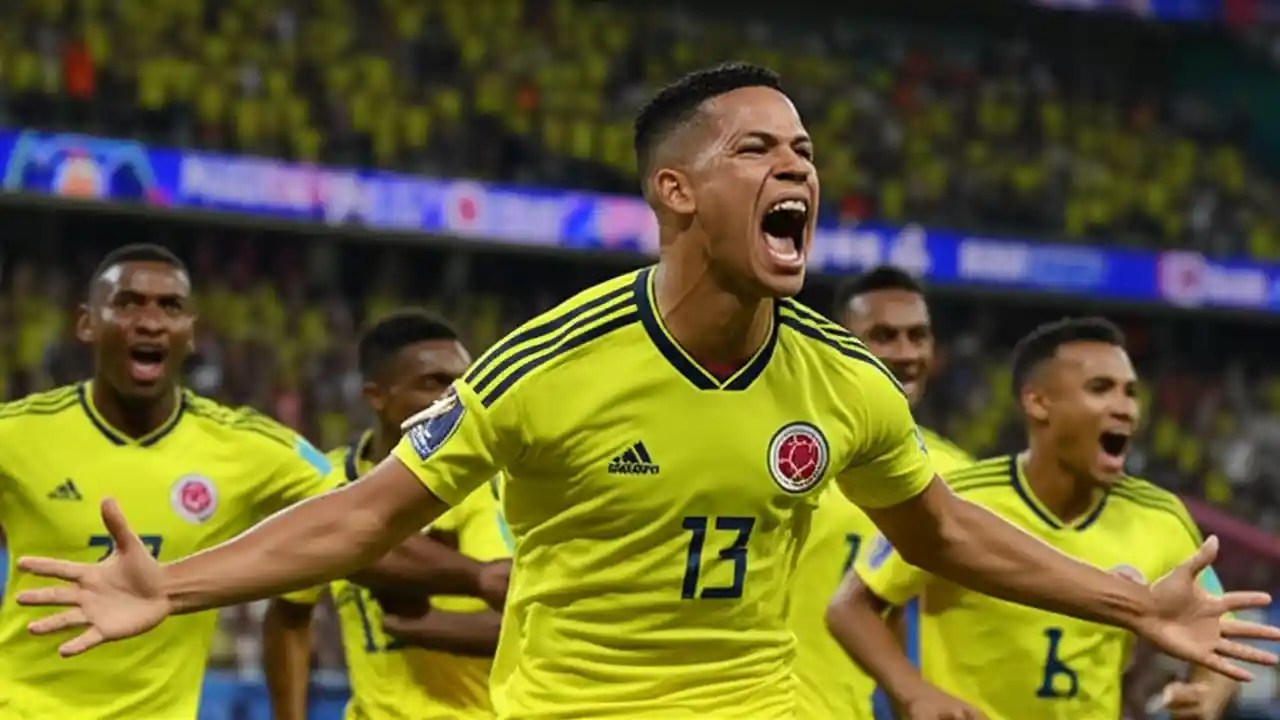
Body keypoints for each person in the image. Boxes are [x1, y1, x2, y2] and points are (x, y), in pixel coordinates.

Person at [15, 63, 1280, 720]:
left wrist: (1131, 605)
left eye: (804, 150)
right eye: (756, 148)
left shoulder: (838, 382)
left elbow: (940, 531)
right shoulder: (547, 362)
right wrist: (170, 584)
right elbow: (367, 515)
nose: (796, 166)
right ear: (675, 193)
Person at [830, 318, 1240, 720]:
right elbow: (850, 607)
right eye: (1100, 388)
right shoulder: (960, 500)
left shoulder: (1161, 518)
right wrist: (914, 692)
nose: (1125, 408)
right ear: (1038, 402)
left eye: (1130, 393)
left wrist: (1207, 693)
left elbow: (1215, 627)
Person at [0, 243, 337, 719]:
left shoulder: (244, 446)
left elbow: (366, 508)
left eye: (170, 306)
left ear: (191, 333)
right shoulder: (17, 433)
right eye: (128, 303)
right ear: (87, 324)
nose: (151, 321)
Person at [264, 310, 512, 720]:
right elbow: (289, 615)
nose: (456, 399)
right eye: (435, 383)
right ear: (376, 395)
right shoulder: (325, 485)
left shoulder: (486, 485)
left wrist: (419, 624)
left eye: (463, 384)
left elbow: (519, 618)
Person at [788, 266, 973, 720]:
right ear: (840, 348)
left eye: (918, 336)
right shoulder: (790, 450)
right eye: (884, 336)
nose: (906, 353)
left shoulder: (958, 478)